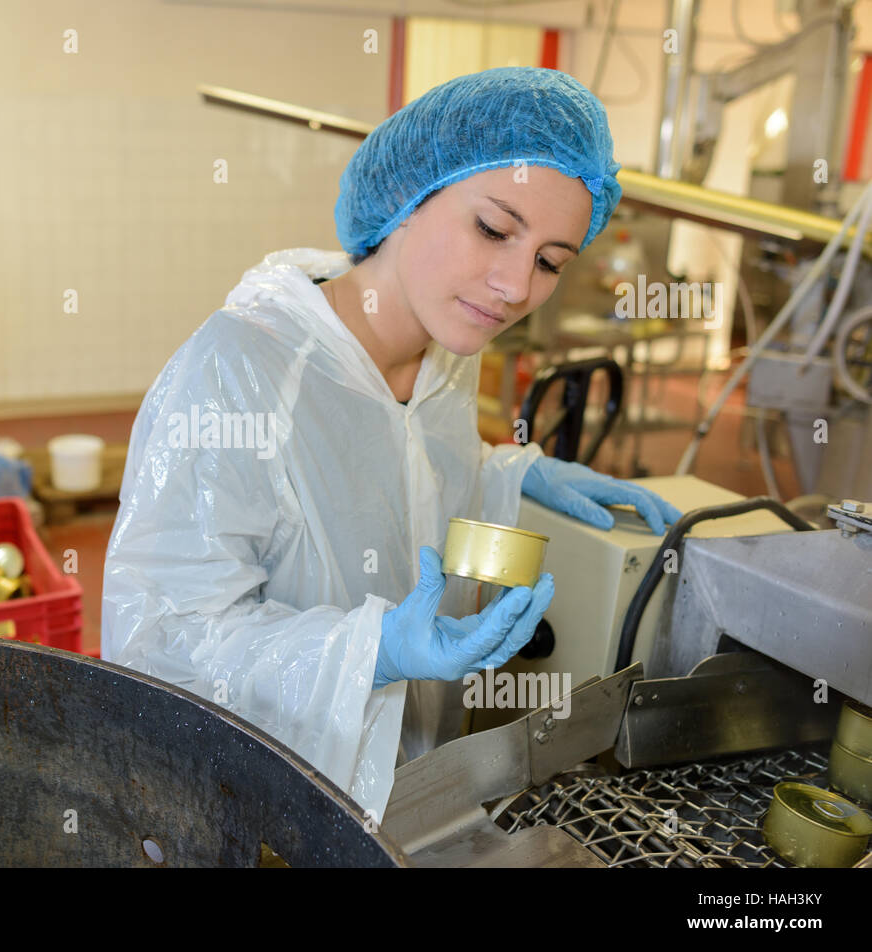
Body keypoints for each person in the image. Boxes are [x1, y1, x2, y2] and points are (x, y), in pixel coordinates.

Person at [102, 67, 682, 818]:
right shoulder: (241, 369)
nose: (513, 285)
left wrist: (507, 474)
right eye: (494, 229)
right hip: (262, 808)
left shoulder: (450, 353)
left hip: (411, 787)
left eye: (548, 262)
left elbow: (400, 476)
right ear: (410, 194)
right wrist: (370, 652)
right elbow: (161, 641)